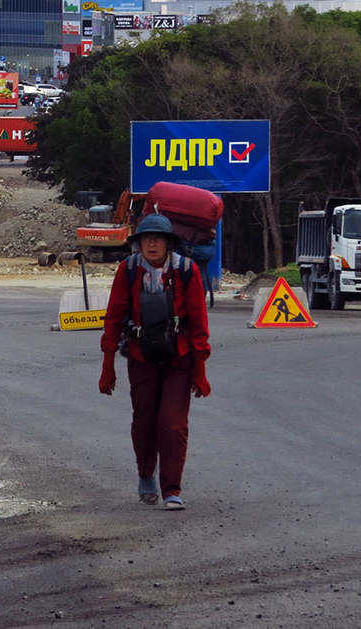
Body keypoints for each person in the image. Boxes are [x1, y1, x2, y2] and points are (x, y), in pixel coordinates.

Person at [99, 213, 210, 511]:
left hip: (179, 358)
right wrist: (107, 366)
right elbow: (112, 317)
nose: (151, 243)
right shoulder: (129, 270)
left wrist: (200, 370)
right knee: (145, 421)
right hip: (141, 356)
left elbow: (199, 323)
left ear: (168, 243)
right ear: (138, 243)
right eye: (146, 238)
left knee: (172, 425)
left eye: (157, 238)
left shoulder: (187, 271)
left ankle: (172, 489)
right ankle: (146, 474)